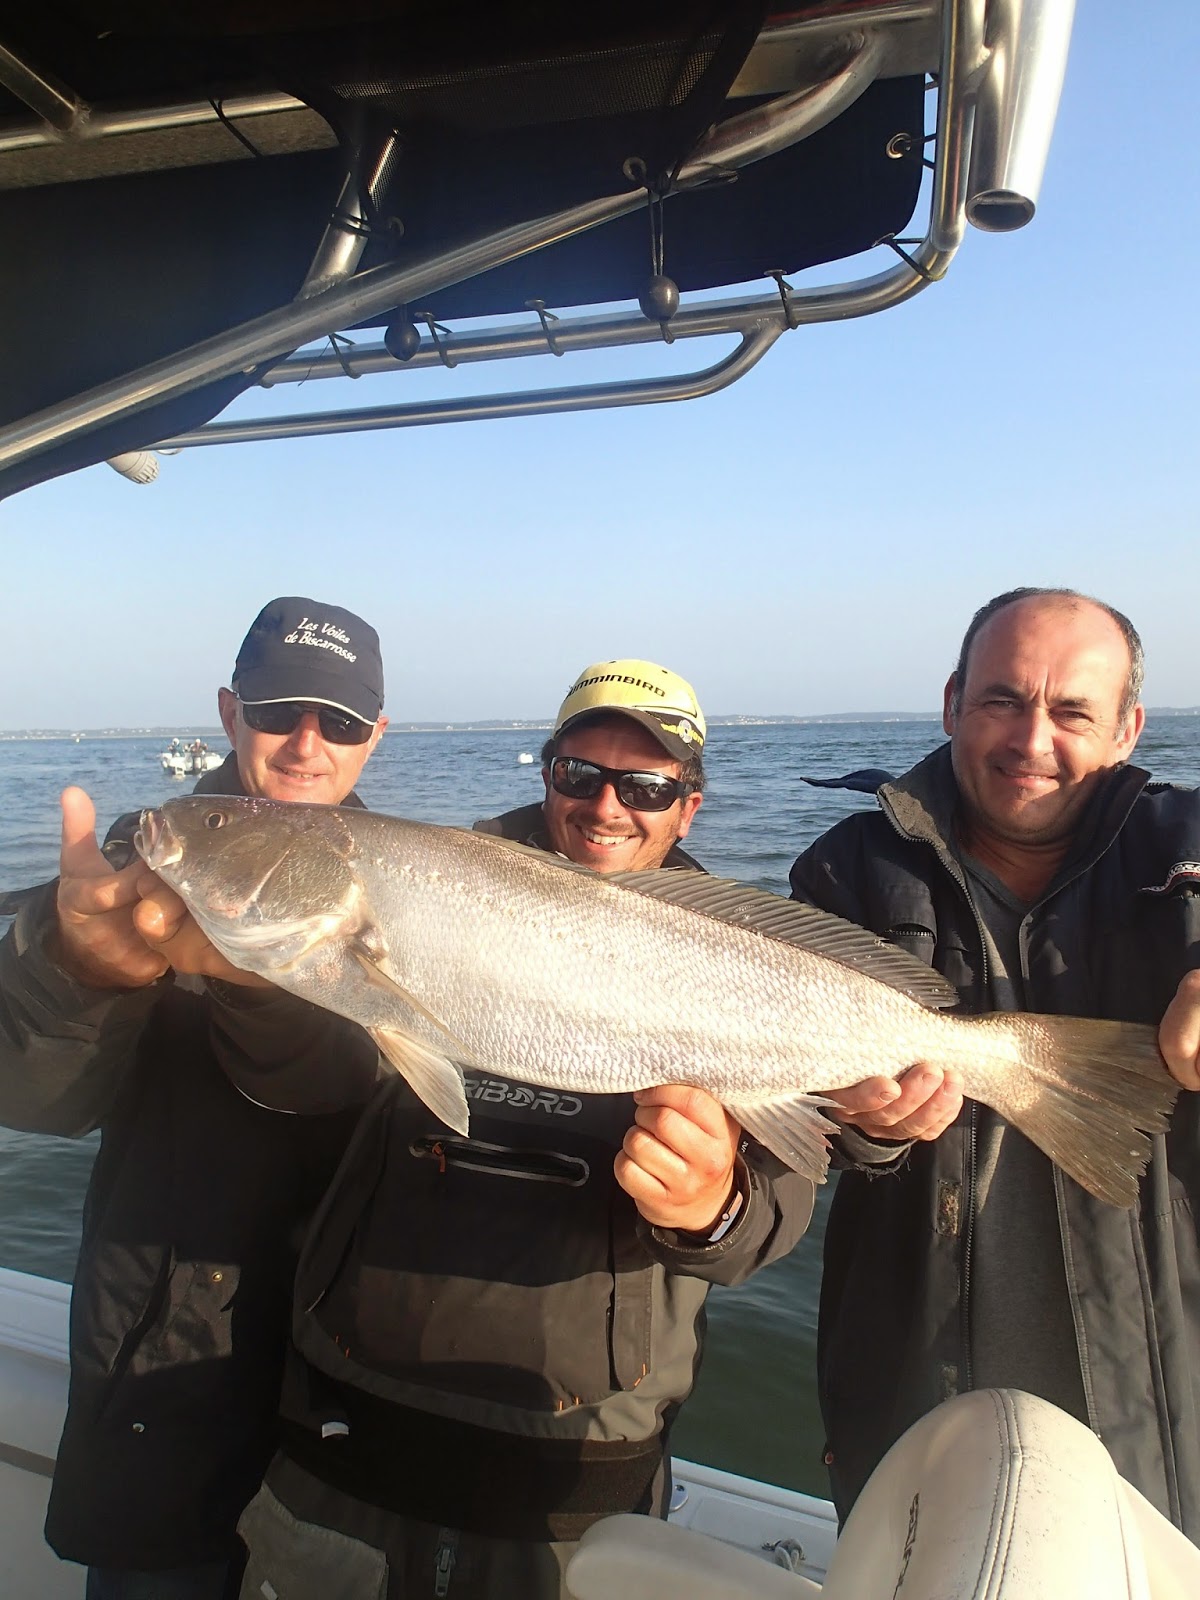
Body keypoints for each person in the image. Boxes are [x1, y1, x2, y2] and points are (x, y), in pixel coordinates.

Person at [233, 658, 815, 1600]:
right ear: (546, 774)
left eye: (648, 785)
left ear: (690, 808)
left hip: (572, 1487)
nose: (607, 807)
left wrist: (711, 1207)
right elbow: (308, 1089)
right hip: (341, 1443)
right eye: (579, 774)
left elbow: (765, 1225)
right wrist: (243, 984)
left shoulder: (751, 962)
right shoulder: (417, 882)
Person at [788, 587, 1200, 1540]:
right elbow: (810, 1130)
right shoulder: (845, 869)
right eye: (1003, 701)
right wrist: (865, 1128)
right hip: (913, 1394)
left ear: (1130, 727)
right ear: (951, 704)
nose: (1031, 740)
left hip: (1160, 1402)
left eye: (1072, 712)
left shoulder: (1188, 854)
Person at [0, 596, 390, 1598]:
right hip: (162, 1377)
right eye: (277, 712)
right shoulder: (137, 866)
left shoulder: (403, 880)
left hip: (348, 1397)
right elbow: (36, 1101)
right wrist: (80, 972)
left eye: (341, 722)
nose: (308, 743)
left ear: (375, 738)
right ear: (229, 711)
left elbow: (342, 1088)